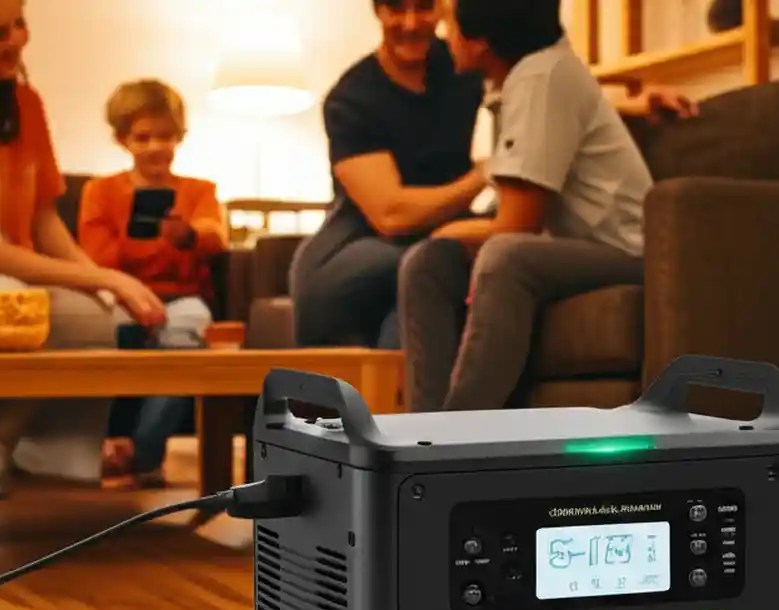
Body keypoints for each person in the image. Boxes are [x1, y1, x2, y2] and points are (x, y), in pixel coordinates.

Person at [289, 0, 695, 350]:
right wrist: (487, 172)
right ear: (378, 11)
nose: (411, 23)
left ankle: (410, 417)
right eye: (397, 7)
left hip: (436, 232)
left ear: (442, 10)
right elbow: (391, 215)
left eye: (424, 7)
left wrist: (634, 102)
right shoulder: (353, 99)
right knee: (421, 262)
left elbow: (548, 96)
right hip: (362, 242)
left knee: (429, 274)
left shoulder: (458, 62)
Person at [0, 0, 166, 504]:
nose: (18, 41)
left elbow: (45, 222)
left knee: (95, 316)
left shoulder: (24, 105)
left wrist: (106, 283)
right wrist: (108, 278)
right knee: (16, 299)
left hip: (9, 276)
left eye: (20, 25)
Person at [398, 0, 656, 411]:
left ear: (481, 42)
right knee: (430, 263)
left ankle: (458, 439)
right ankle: (422, 438)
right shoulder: (522, 76)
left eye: (450, 25)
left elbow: (516, 226)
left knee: (506, 257)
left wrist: (443, 230)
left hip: (630, 252)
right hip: (576, 247)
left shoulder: (542, 77)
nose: (444, 36)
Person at [77, 79, 226, 486]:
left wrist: (187, 238)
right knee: (106, 332)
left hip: (182, 300)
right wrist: (166, 248)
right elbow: (98, 259)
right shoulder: (100, 192)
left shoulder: (199, 191)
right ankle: (111, 443)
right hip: (117, 298)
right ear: (122, 140)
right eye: (143, 137)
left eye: (165, 136)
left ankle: (142, 453)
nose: (155, 147)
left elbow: (213, 239)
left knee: (186, 335)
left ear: (180, 137)